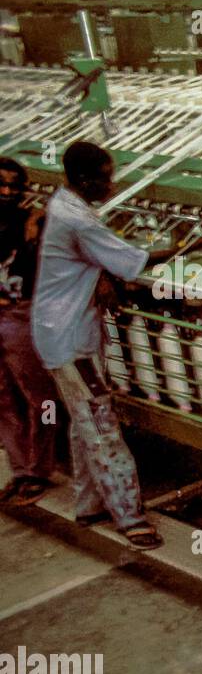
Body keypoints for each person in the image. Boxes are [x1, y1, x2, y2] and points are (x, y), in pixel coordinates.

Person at [31, 140, 202, 548]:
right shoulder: (79, 221)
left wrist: (99, 276)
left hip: (58, 330)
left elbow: (93, 259)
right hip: (71, 341)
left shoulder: (64, 203)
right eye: (105, 177)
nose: (112, 185)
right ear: (84, 179)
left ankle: (89, 505)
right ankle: (130, 518)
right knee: (100, 423)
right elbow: (134, 259)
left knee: (83, 426)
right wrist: (193, 247)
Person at [0, 157, 57, 506]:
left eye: (14, 186)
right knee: (3, 398)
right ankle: (20, 469)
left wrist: (34, 235)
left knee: (40, 396)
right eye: (1, 185)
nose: (7, 192)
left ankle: (39, 469)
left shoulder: (34, 221)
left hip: (23, 316)